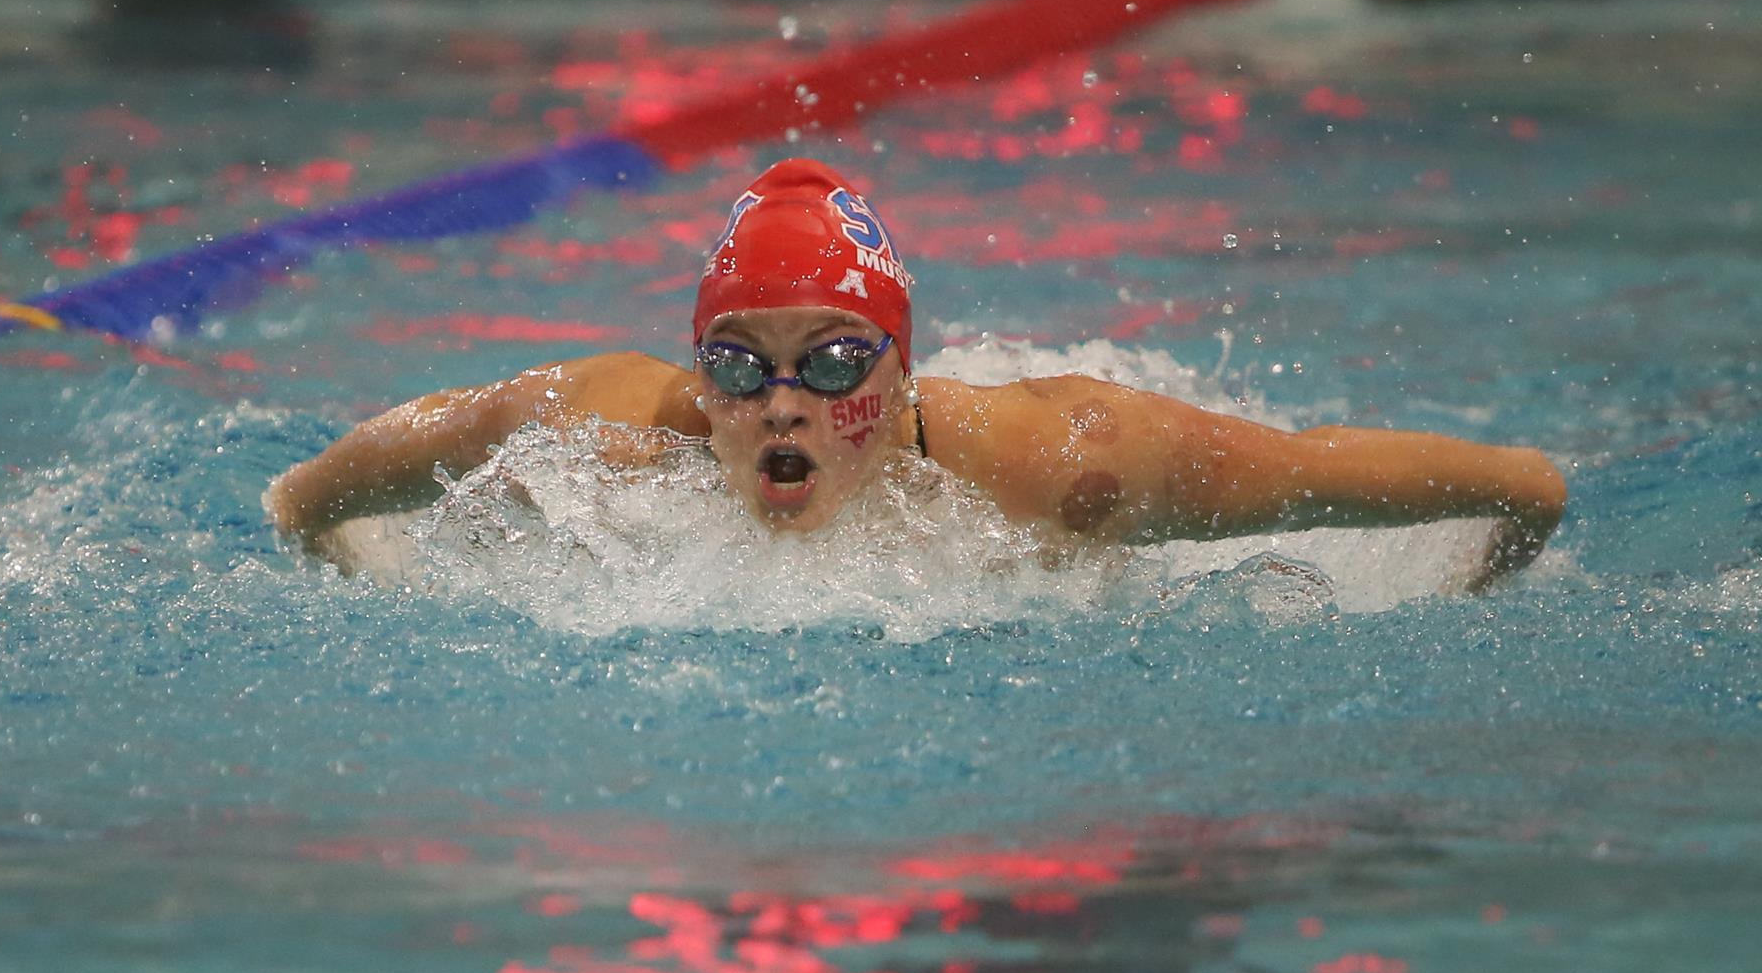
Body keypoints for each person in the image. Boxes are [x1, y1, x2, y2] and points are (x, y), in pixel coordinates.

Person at [266, 158, 1565, 589]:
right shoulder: (596, 429)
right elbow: (320, 489)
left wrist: (1475, 579)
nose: (784, 403)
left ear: (904, 370)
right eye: (741, 363)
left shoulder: (1071, 467)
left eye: (837, 364)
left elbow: (1517, 488)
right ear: (695, 373)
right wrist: (336, 554)